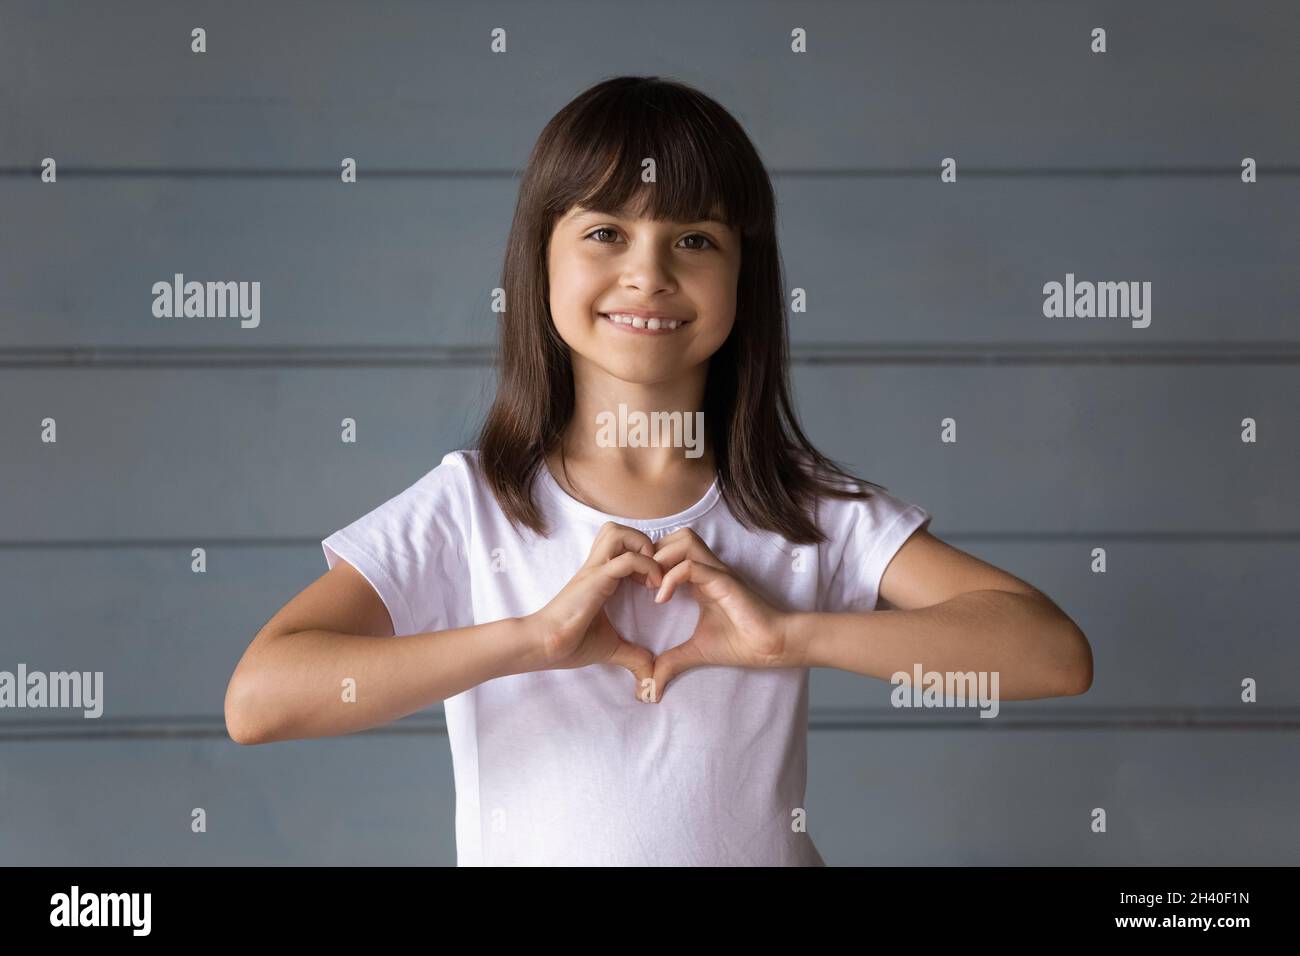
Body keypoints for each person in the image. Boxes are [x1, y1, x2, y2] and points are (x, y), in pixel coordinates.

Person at [224, 76, 1092, 866]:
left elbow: (1051, 657)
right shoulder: (472, 509)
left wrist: (789, 635)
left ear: (745, 277)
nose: (648, 272)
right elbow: (260, 701)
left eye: (696, 239)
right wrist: (533, 639)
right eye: (606, 231)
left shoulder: (801, 509)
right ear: (541, 259)